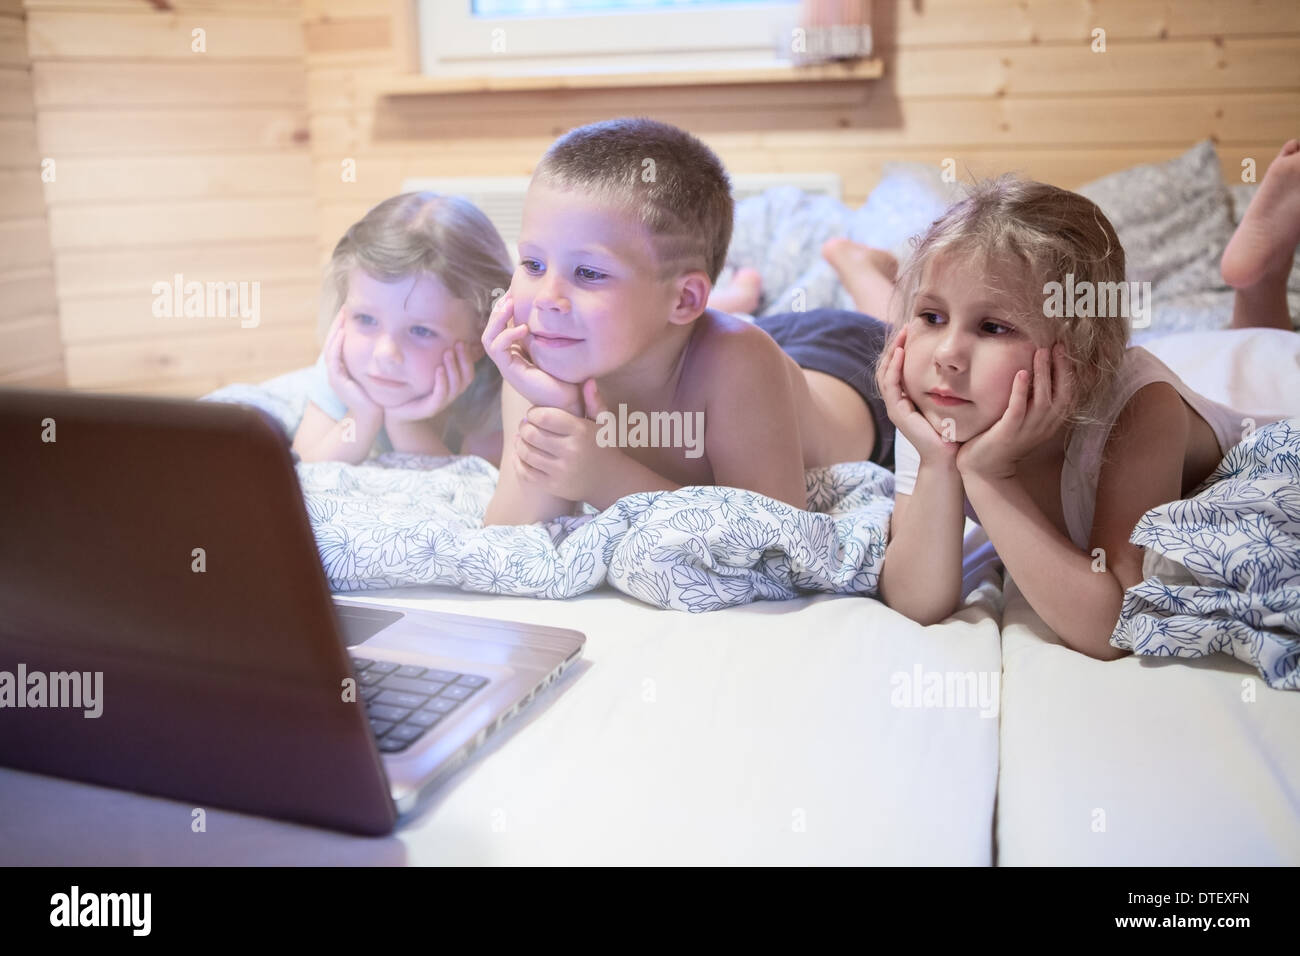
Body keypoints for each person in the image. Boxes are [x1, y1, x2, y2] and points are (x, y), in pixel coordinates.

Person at [874, 142, 1298, 659]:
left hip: (1252, 402)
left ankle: (1260, 278)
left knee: (1264, 361)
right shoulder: (937, 403)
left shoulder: (1140, 412)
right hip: (1173, 362)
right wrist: (940, 465)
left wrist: (987, 477)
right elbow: (916, 602)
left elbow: (1113, 629)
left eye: (992, 326)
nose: (946, 355)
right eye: (931, 317)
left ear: (1079, 352)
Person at [481, 117, 896, 526]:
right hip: (706, 334)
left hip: (844, 362)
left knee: (897, 347)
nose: (547, 300)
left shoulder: (738, 367)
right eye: (533, 263)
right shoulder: (539, 355)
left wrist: (606, 479)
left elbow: (772, 539)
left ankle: (858, 267)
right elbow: (509, 539)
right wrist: (555, 409)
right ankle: (747, 294)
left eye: (588, 273)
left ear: (683, 299)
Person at [292, 192, 512, 466]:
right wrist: (362, 416)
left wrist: (405, 425)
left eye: (421, 331)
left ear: (481, 336)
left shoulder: (498, 391)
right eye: (366, 319)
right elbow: (304, 474)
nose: (385, 354)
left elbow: (472, 497)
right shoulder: (342, 368)